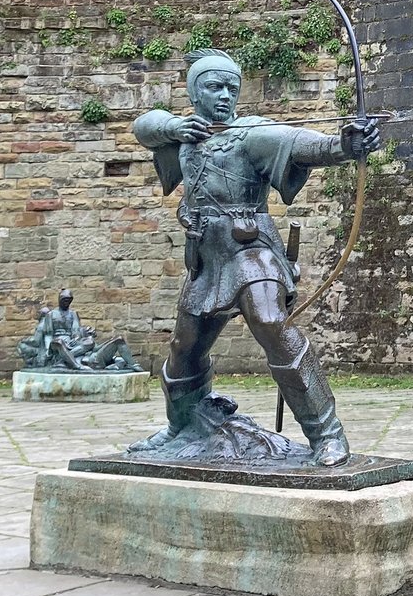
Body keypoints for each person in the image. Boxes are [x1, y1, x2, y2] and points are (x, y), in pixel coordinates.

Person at [130, 48, 380, 466]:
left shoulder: (250, 133)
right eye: (214, 87)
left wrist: (345, 145)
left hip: (250, 251)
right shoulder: (183, 136)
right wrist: (175, 126)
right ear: (194, 92)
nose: (225, 95)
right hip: (205, 256)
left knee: (270, 323)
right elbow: (145, 126)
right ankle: (181, 425)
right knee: (184, 346)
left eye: (232, 88)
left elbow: (304, 144)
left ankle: (327, 435)